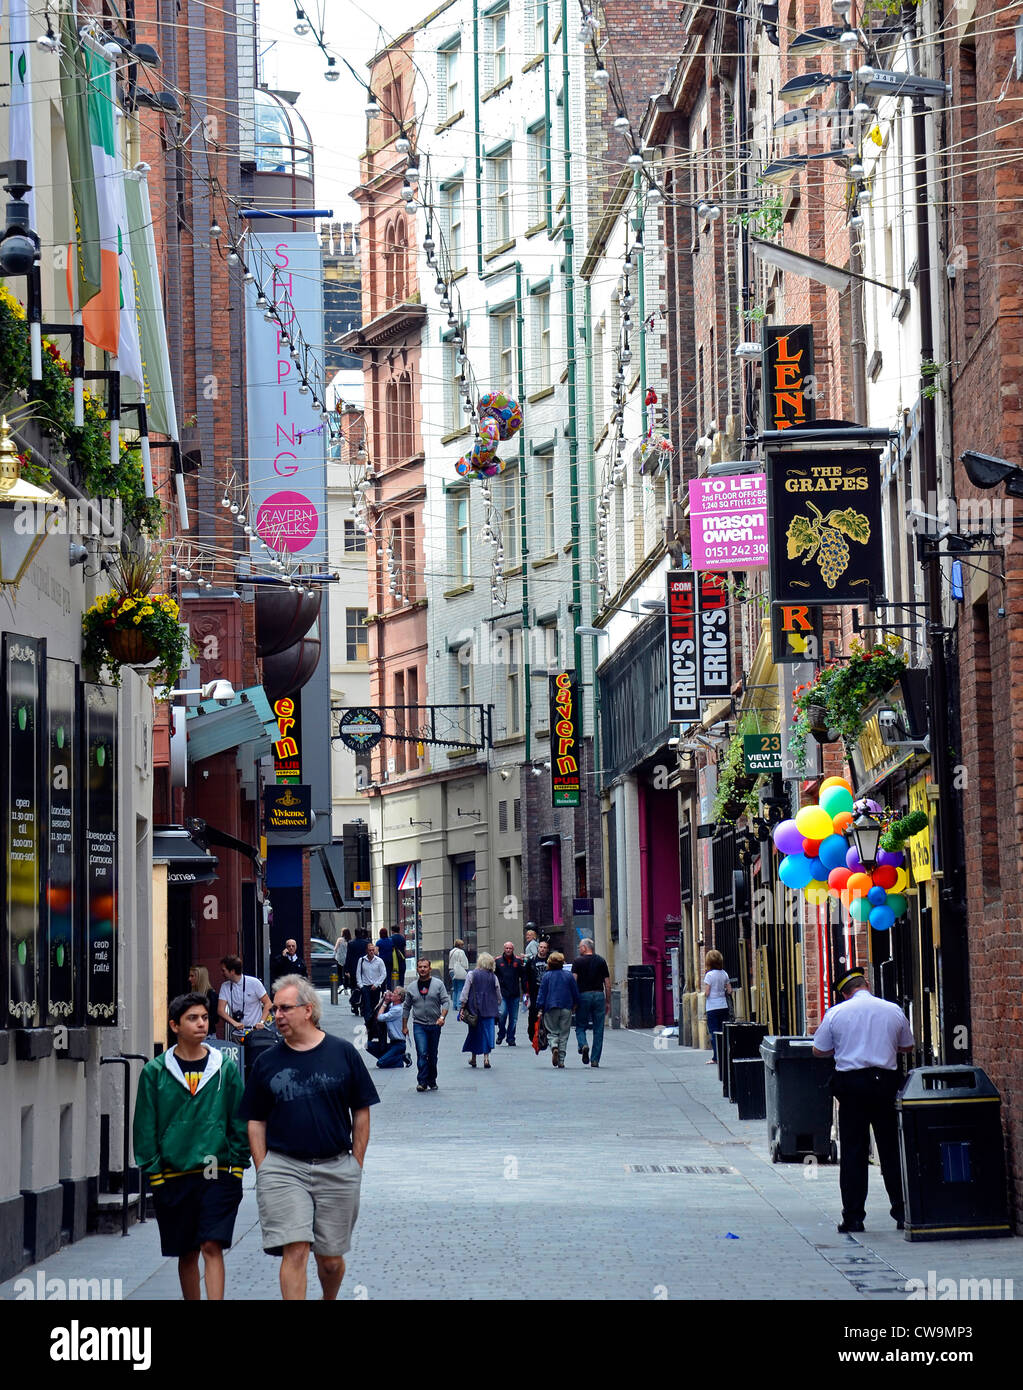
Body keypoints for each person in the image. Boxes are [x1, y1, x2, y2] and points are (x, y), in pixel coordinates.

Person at [239, 975, 380, 1301]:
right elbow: (255, 1120)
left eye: (285, 1008)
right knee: (296, 1250)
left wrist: (355, 1164)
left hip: (336, 1167)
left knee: (330, 1262)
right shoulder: (266, 1062)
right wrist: (264, 1169)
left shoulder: (343, 1053)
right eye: (275, 1009)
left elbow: (361, 1112)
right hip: (284, 1169)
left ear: (308, 1010)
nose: (277, 1016)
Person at [133, 992, 249, 1300]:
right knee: (186, 1252)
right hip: (174, 1176)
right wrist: (155, 1173)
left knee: (212, 1244)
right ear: (174, 1025)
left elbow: (239, 1119)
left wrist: (236, 1166)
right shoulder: (155, 1072)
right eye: (192, 1018)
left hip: (217, 1173)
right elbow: (145, 1126)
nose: (201, 1023)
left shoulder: (224, 1068)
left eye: (204, 1017)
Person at [812, 969, 915, 1234]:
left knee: (853, 1152)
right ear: (866, 984)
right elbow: (907, 1046)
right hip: (885, 1084)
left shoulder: (836, 1013)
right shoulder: (892, 1010)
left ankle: (854, 1217)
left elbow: (819, 1049)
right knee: (891, 1149)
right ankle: (903, 1212)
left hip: (852, 1088)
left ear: (845, 993)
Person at [402, 958, 451, 1091]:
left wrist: (442, 1017)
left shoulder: (438, 984)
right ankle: (422, 1081)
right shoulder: (411, 987)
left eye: (425, 967)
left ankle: (432, 1079)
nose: (422, 969)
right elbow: (406, 1007)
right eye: (420, 967)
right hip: (419, 1025)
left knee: (432, 1053)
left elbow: (446, 1002)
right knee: (422, 1053)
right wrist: (404, 1026)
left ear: (430, 969)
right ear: (417, 969)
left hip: (435, 1024)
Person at [537, 952, 580, 1068]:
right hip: (566, 1007)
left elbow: (542, 993)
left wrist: (539, 1006)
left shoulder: (547, 976)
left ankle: (554, 1045)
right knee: (564, 1034)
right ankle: (561, 1060)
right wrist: (576, 1003)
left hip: (551, 1007)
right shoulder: (568, 975)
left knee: (552, 1031)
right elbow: (575, 991)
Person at [572, 938, 611, 1067]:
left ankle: (583, 1044)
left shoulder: (577, 962)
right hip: (599, 995)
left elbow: (574, 982)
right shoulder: (601, 960)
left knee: (580, 1025)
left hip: (583, 995)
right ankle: (595, 1059)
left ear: (584, 947)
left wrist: (574, 1000)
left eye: (579, 947)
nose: (579, 949)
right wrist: (608, 1001)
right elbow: (607, 983)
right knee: (598, 1029)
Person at [217, 955, 272, 1043]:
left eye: (224, 971)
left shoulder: (254, 983)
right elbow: (220, 1010)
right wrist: (234, 1023)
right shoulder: (225, 986)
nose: (222, 973)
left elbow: (268, 1003)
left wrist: (261, 1022)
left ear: (232, 971)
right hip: (237, 1034)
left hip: (255, 1033)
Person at [460, 951, 501, 1069]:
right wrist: (498, 1001)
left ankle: (473, 1058)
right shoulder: (493, 976)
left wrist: (462, 1005)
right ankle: (486, 1058)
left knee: (474, 1032)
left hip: (474, 1008)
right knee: (488, 1033)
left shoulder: (472, 974)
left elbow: (465, 991)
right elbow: (498, 992)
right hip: (490, 1008)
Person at [703, 949, 732, 1065]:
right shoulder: (724, 973)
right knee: (723, 1032)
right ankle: (725, 1055)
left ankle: (716, 1057)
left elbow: (707, 992)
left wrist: (705, 994)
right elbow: (730, 990)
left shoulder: (709, 975)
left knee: (714, 1033)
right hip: (723, 1006)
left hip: (712, 1007)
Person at [369, 989, 411, 1069]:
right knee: (368, 1045)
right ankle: (388, 1058)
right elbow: (376, 1010)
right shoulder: (392, 1005)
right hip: (392, 1043)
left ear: (399, 997)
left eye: (394, 993)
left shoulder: (397, 1010)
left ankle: (401, 1058)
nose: (392, 994)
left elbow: (379, 1017)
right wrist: (384, 999)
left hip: (399, 1045)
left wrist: (385, 1003)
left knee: (380, 1063)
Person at [494, 941, 525, 1046]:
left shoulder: (518, 961)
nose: (508, 950)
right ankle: (501, 1033)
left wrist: (525, 991)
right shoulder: (497, 961)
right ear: (504, 949)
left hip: (515, 994)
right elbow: (493, 977)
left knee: (514, 1018)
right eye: (506, 948)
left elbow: (523, 976)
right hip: (502, 994)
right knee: (502, 1014)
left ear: (513, 949)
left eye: (510, 948)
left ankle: (511, 1038)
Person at [525, 940, 550, 1052]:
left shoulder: (551, 961)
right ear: (538, 948)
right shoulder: (531, 961)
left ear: (547, 949)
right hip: (534, 992)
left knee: (547, 1014)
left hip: (548, 992)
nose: (542, 949)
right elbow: (525, 977)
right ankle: (532, 1033)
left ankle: (545, 1034)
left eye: (544, 947)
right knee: (533, 1014)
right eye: (541, 947)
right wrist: (526, 992)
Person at [356, 940, 388, 1029]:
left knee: (375, 1006)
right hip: (365, 986)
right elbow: (358, 973)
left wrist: (377, 984)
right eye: (369, 950)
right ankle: (368, 1024)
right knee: (367, 1006)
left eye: (373, 950)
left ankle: (374, 1024)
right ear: (366, 951)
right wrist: (361, 986)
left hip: (375, 987)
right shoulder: (362, 960)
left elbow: (383, 974)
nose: (371, 952)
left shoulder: (379, 961)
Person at [188, 964, 220, 1039]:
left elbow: (215, 1019)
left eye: (192, 976)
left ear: (200, 978)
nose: (189, 979)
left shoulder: (211, 995)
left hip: (207, 1036)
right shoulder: (192, 994)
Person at [344, 929, 370, 1014]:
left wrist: (346, 969)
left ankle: (354, 1006)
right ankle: (362, 1007)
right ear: (362, 933)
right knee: (363, 987)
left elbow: (348, 957)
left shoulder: (351, 943)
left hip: (353, 968)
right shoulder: (366, 943)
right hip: (364, 968)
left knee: (354, 987)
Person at [448, 938, 469, 1013]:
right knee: (461, 988)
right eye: (462, 944)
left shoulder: (451, 952)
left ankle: (454, 1005)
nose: (463, 946)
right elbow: (464, 963)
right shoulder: (461, 952)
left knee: (455, 988)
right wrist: (466, 969)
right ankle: (459, 1005)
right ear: (460, 945)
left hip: (451, 970)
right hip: (459, 971)